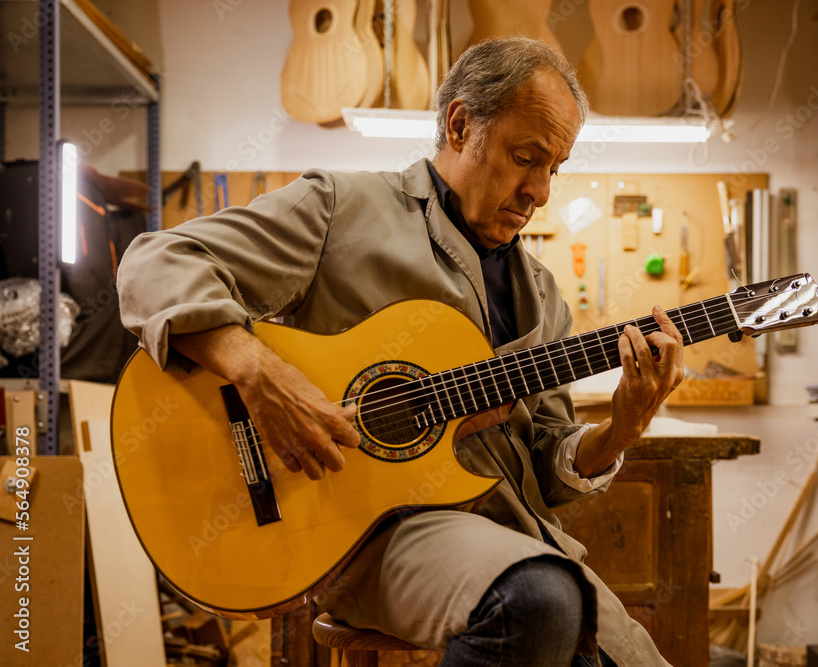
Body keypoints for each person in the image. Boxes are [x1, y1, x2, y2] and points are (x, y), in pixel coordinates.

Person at [118, 37, 684, 667]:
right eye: (526, 158)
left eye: (555, 168)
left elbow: (548, 466)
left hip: (510, 538)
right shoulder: (341, 209)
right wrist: (255, 368)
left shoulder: (542, 297)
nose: (541, 191)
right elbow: (156, 262)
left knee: (587, 629)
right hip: (358, 532)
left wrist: (621, 428)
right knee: (538, 601)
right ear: (461, 124)